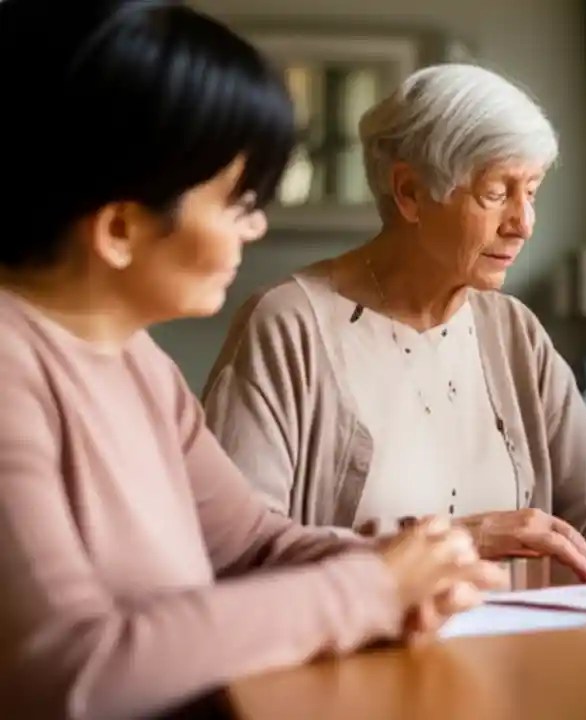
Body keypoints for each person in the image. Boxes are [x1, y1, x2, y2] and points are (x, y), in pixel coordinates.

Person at [0, 3, 504, 717]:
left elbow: (251, 544)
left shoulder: (136, 360)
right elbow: (71, 672)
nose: (257, 226)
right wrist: (369, 593)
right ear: (119, 228)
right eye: (238, 202)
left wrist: (410, 565)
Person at [202, 64, 586, 582]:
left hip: (508, 659)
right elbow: (238, 549)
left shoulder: (514, 333)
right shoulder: (288, 328)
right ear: (409, 192)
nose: (523, 223)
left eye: (532, 191)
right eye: (497, 193)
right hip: (356, 658)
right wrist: (461, 540)